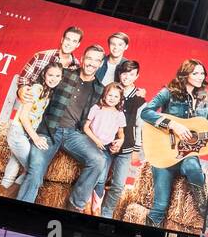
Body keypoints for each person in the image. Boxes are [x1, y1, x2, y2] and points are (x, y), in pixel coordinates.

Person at [17, 44, 108, 210]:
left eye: (96, 60)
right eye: (89, 58)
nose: (91, 63)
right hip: (49, 130)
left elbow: (107, 112)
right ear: (82, 59)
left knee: (99, 160)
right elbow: (39, 83)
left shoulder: (99, 89)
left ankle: (75, 206)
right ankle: (21, 210)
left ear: (101, 64)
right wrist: (23, 90)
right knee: (35, 170)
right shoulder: (64, 74)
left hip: (74, 134)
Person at [138, 59, 208, 226]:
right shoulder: (168, 92)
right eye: (195, 73)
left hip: (187, 153)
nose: (200, 76)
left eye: (202, 73)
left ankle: (203, 207)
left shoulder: (206, 98)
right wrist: (172, 124)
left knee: (193, 167)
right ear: (185, 74)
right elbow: (146, 112)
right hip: (164, 154)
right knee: (160, 207)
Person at [0, 62, 63, 189]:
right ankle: (10, 194)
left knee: (11, 171)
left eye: (57, 76)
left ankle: (4, 193)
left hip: (26, 134)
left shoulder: (48, 92)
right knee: (35, 169)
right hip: (18, 133)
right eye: (50, 75)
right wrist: (36, 138)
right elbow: (23, 116)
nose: (53, 79)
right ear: (44, 74)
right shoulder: (36, 88)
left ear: (61, 78)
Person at [100, 60, 148, 220]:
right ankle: (94, 208)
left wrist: (136, 149)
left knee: (118, 184)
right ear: (119, 74)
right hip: (106, 143)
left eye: (132, 74)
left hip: (126, 147)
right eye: (124, 73)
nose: (127, 77)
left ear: (137, 76)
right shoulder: (112, 92)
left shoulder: (140, 100)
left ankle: (106, 213)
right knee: (99, 179)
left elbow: (139, 126)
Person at [83, 81, 127, 216]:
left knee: (102, 178)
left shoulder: (119, 114)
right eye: (110, 95)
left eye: (116, 96)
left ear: (120, 99)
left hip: (107, 148)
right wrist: (95, 140)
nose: (112, 98)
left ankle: (96, 207)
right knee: (92, 173)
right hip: (92, 144)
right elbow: (86, 127)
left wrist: (120, 141)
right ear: (104, 95)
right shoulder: (97, 108)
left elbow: (121, 134)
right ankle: (86, 202)